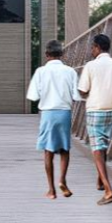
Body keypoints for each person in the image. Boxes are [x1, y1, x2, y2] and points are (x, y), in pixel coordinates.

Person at [76, 32, 112, 205]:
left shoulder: (91, 66)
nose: (91, 50)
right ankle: (100, 180)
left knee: (97, 149)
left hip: (96, 110)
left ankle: (108, 191)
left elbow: (83, 90)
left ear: (98, 47)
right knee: (103, 145)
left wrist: (87, 93)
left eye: (92, 47)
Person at [26, 39, 80, 198]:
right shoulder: (70, 71)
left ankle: (51, 190)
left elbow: (33, 96)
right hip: (64, 113)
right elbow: (77, 96)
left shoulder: (41, 72)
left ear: (46, 54)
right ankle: (62, 180)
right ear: (62, 54)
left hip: (48, 113)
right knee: (64, 149)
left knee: (48, 151)